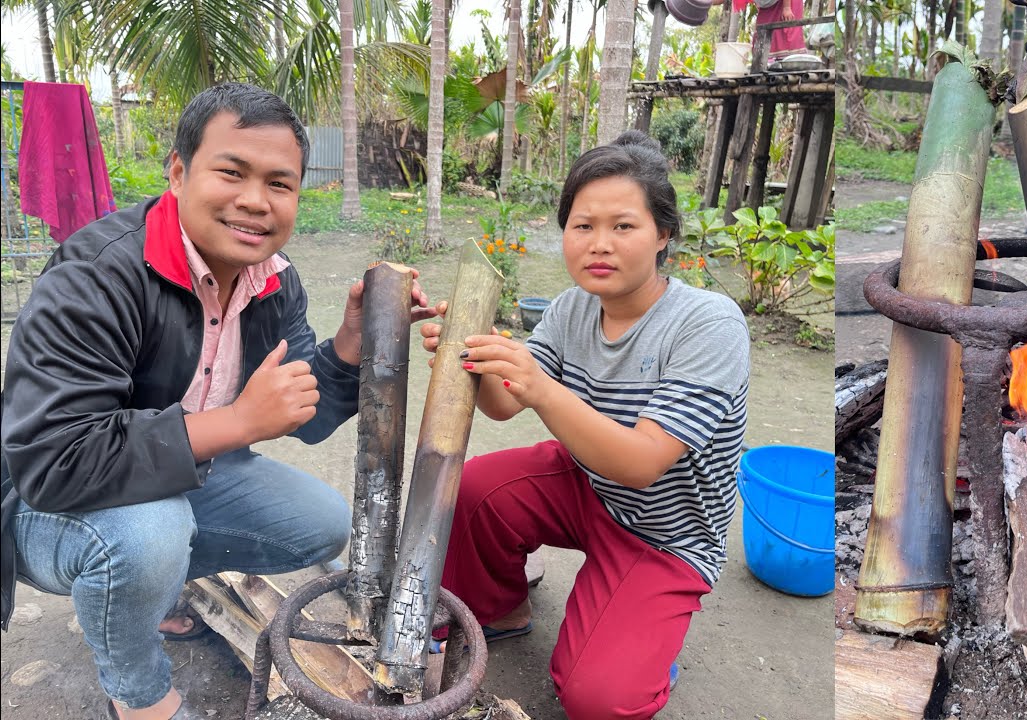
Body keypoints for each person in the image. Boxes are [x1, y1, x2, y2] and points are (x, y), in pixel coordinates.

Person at [0, 83, 436, 720]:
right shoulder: (97, 275)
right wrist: (235, 422)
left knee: (320, 523)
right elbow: (55, 461)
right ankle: (139, 693)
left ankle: (154, 590)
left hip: (178, 473)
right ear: (178, 172)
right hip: (40, 503)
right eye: (231, 172)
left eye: (279, 184)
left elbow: (302, 414)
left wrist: (346, 346)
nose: (254, 202)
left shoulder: (274, 280)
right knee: (150, 535)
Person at [419, 130, 750, 719]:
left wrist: (541, 386)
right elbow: (503, 404)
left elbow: (643, 464)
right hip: (589, 483)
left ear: (663, 235)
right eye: (582, 225)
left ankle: (648, 647)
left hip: (665, 531)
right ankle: (502, 609)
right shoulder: (574, 306)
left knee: (596, 699)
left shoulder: (708, 323)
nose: (600, 245)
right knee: (475, 491)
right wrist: (471, 353)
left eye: (623, 226)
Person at [710, 0, 808, 58]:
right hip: (768, 5)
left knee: (785, 33)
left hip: (787, 4)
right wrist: (703, 3)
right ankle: (765, 63)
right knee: (762, 34)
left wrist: (787, 7)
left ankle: (787, 62)